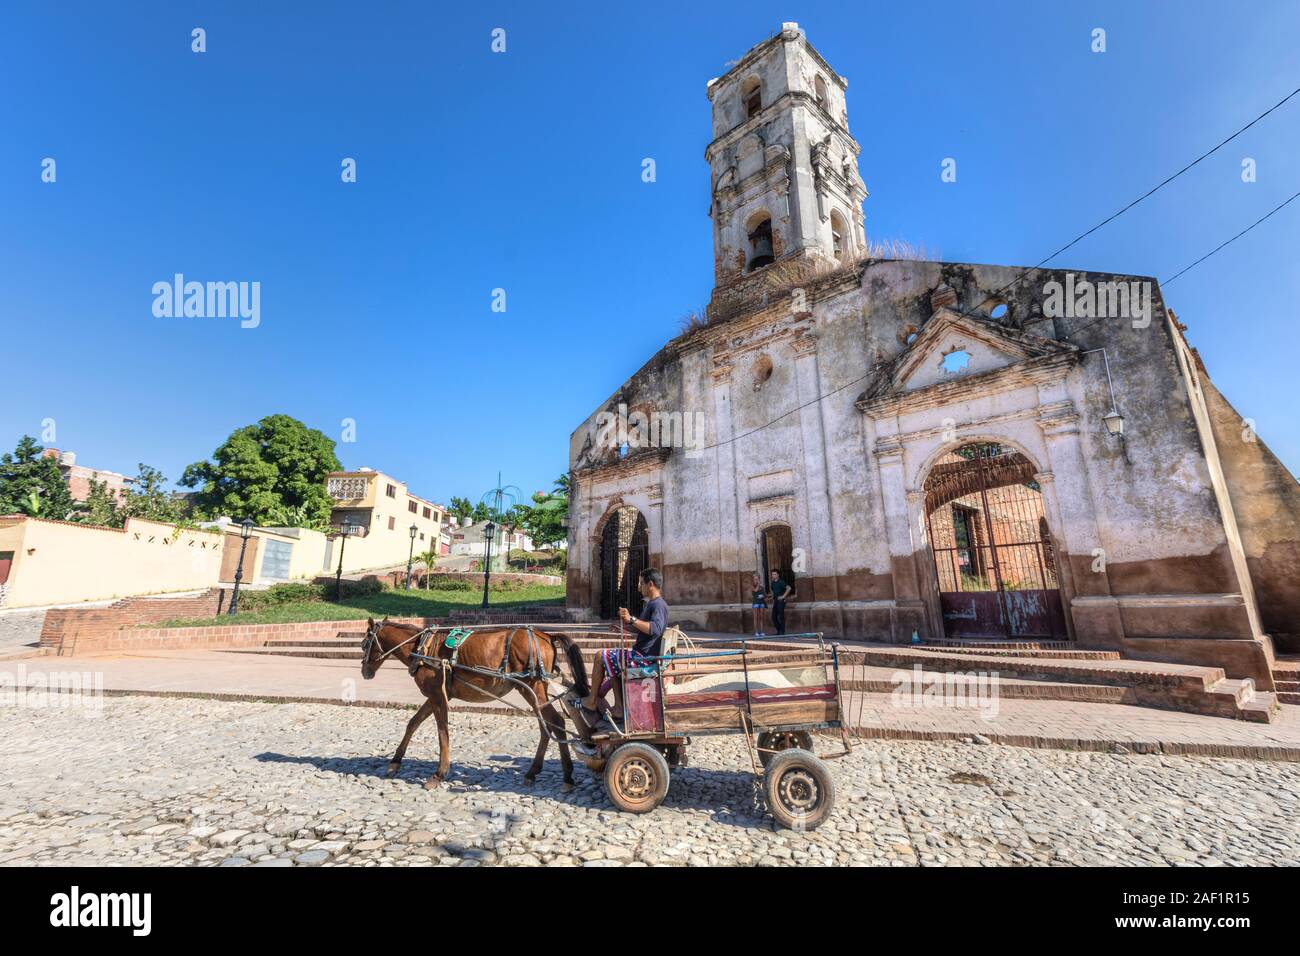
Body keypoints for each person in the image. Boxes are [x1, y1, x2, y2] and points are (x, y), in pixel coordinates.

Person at [582, 567, 668, 720]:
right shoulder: (652, 604)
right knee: (612, 661)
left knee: (600, 655)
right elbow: (646, 630)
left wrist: (632, 619)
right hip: (642, 655)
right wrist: (626, 627)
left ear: (651, 584)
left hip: (643, 659)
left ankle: (592, 701)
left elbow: (655, 629)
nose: (639, 587)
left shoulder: (658, 605)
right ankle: (619, 708)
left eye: (642, 583)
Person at [769, 569, 795, 636]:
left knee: (781, 616)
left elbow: (789, 588)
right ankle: (779, 630)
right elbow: (772, 590)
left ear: (778, 575)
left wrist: (783, 596)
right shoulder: (772, 583)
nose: (773, 576)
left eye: (774, 574)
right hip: (775, 601)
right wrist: (772, 597)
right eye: (772, 574)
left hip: (781, 601)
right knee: (773, 617)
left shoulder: (781, 582)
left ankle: (782, 632)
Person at [749, 572, 767, 637]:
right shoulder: (752, 586)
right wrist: (758, 584)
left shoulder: (762, 587)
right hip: (755, 603)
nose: (756, 580)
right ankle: (756, 632)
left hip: (761, 603)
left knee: (761, 617)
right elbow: (755, 590)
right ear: (753, 579)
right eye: (755, 578)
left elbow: (765, 595)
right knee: (756, 617)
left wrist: (763, 596)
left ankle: (762, 631)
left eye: (757, 578)